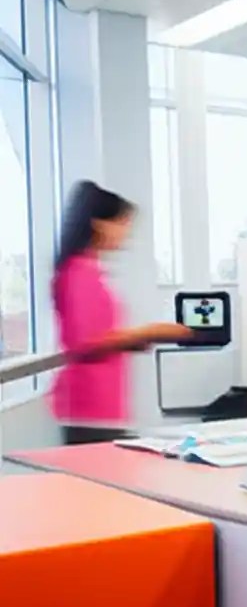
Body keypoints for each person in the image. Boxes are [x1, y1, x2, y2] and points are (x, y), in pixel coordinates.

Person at [51, 181, 193, 445]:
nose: (126, 233)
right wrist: (149, 332)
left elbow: (99, 336)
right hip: (88, 409)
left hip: (105, 406)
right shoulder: (77, 273)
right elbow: (85, 342)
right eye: (122, 224)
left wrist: (135, 341)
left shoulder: (90, 271)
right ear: (99, 224)